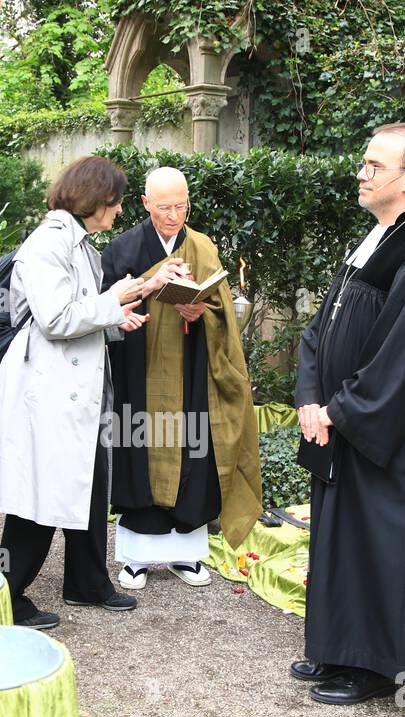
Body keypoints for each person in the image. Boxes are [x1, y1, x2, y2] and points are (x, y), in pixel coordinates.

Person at [291, 122, 405, 705]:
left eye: (374, 166)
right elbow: (323, 328)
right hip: (339, 421)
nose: (361, 174)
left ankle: (380, 667)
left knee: (387, 541)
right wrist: (311, 399)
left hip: (395, 433)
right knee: (343, 535)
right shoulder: (372, 240)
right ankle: (339, 648)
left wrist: (342, 409)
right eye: (363, 163)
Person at [0, 156, 181, 629]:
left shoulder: (80, 244)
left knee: (92, 485)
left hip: (79, 386)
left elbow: (85, 313)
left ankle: (86, 580)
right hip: (50, 387)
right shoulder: (48, 244)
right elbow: (55, 319)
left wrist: (123, 310)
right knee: (37, 498)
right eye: (116, 203)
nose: (119, 212)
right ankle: (4, 594)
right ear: (96, 201)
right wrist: (112, 303)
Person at [101, 167, 262, 590]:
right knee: (140, 452)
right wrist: (144, 293)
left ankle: (186, 555)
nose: (173, 215)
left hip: (193, 367)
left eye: (180, 205)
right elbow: (104, 306)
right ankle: (136, 556)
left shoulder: (203, 247)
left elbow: (221, 308)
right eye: (164, 206)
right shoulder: (123, 247)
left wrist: (200, 312)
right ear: (145, 203)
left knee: (194, 452)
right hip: (139, 366)